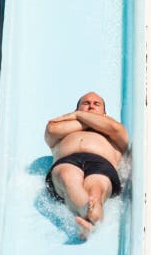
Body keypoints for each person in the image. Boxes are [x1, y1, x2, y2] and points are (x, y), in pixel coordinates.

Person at [44, 92, 129, 240]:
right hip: (67, 161)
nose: (91, 106)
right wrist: (90, 120)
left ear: (105, 113)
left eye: (97, 104)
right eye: (86, 103)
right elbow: (52, 129)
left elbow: (115, 129)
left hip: (101, 163)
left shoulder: (114, 131)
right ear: (76, 109)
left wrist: (78, 116)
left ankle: (91, 221)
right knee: (68, 177)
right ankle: (85, 213)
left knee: (96, 191)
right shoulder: (61, 129)